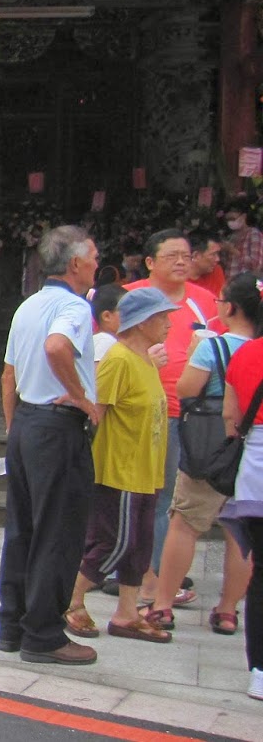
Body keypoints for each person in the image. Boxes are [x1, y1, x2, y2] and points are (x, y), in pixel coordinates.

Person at [0, 224, 101, 666]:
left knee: (22, 528)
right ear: (75, 263)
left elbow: (8, 374)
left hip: (26, 424)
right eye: (94, 256)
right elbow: (58, 347)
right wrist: (82, 398)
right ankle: (43, 634)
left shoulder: (29, 305)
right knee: (58, 533)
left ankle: (12, 625)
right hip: (57, 428)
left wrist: (14, 428)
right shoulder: (73, 307)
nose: (98, 263)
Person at [62, 287, 178, 645]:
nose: (168, 324)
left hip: (146, 472)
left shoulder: (145, 360)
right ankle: (70, 599)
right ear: (142, 322)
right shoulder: (119, 359)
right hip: (120, 472)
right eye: (161, 317)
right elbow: (96, 409)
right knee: (114, 543)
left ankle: (127, 614)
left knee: (140, 546)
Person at [144, 272, 256, 635]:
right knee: (240, 533)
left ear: (232, 308)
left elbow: (187, 389)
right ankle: (227, 611)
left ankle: (162, 606)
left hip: (209, 447)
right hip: (251, 452)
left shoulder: (215, 346)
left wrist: (194, 353)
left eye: (221, 301)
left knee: (185, 523)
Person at [125, 229, 224, 601]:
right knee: (142, 492)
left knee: (173, 497)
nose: (182, 262)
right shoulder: (130, 297)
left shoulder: (206, 301)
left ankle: (163, 574)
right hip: (144, 408)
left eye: (186, 255)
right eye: (171, 256)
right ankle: (137, 571)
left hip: (192, 413)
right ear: (150, 262)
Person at [218, 323, 263, 700]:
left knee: (261, 574)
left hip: (254, 476)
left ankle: (260, 671)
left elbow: (231, 418)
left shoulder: (245, 354)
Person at [224, 197, 263, 277]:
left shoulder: (254, 234)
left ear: (244, 216)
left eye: (233, 218)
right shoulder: (230, 237)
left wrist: (234, 251)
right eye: (228, 219)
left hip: (246, 286)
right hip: (230, 285)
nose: (230, 222)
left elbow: (256, 265)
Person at [188, 230, 226, 298]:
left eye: (218, 254)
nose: (218, 259)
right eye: (213, 254)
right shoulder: (177, 280)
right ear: (196, 256)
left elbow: (222, 303)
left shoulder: (216, 270)